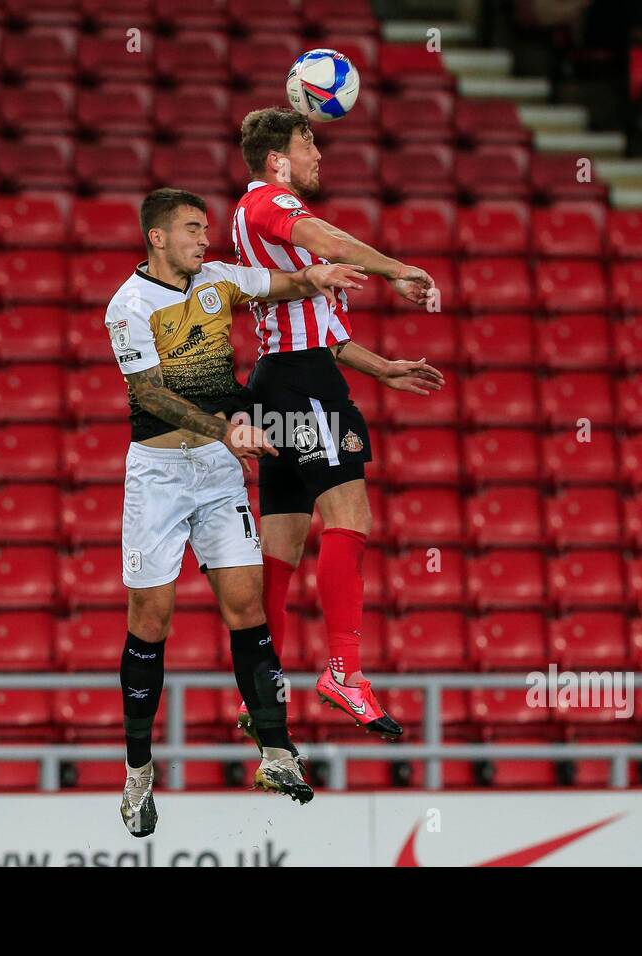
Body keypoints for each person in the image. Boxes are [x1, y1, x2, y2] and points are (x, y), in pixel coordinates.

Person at [106, 187, 364, 837]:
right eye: (193, 230)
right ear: (157, 238)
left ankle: (276, 751)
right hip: (160, 475)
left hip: (219, 474)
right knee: (151, 621)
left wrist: (314, 275)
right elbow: (149, 395)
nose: (204, 239)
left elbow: (274, 285)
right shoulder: (129, 306)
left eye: (206, 229)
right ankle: (138, 770)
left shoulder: (218, 279)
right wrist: (225, 429)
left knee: (246, 607)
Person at [231, 107, 446, 741]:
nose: (318, 155)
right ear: (278, 159)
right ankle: (343, 673)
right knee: (351, 519)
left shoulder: (263, 221)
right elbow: (330, 241)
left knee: (282, 547)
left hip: (278, 380)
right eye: (309, 143)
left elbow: (321, 333)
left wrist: (383, 369)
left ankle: (259, 689)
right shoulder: (270, 204)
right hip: (306, 386)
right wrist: (396, 268)